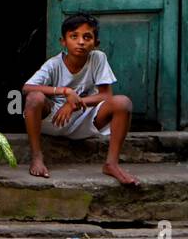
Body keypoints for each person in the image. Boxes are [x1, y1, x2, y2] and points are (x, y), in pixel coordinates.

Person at [22, 13, 138, 187]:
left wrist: (73, 104)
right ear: (63, 41)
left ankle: (111, 164)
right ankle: (37, 156)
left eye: (87, 37)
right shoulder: (54, 64)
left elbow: (106, 96)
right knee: (34, 98)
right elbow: (26, 88)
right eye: (74, 36)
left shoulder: (98, 58)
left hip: (84, 119)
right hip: (54, 119)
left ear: (96, 43)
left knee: (123, 103)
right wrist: (65, 91)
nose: (81, 42)